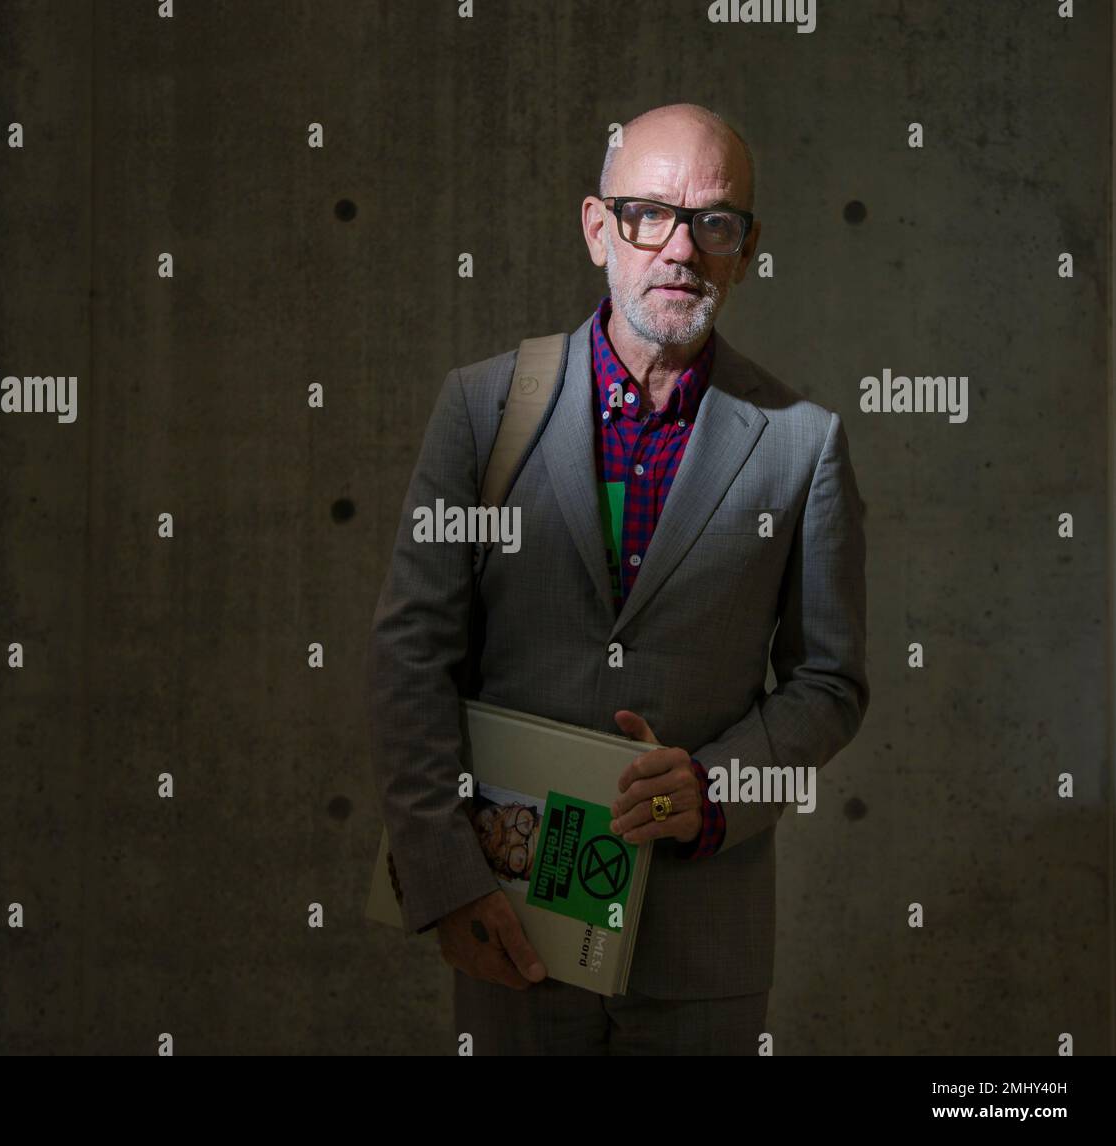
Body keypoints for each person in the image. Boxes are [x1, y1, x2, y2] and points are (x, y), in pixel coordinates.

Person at [365, 102, 869, 1054]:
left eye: (714, 222)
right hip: (512, 926)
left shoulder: (804, 446)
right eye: (650, 214)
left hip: (701, 961)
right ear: (599, 228)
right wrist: (447, 879)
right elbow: (409, 658)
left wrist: (716, 790)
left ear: (745, 249)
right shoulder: (483, 409)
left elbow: (829, 683)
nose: (680, 248)